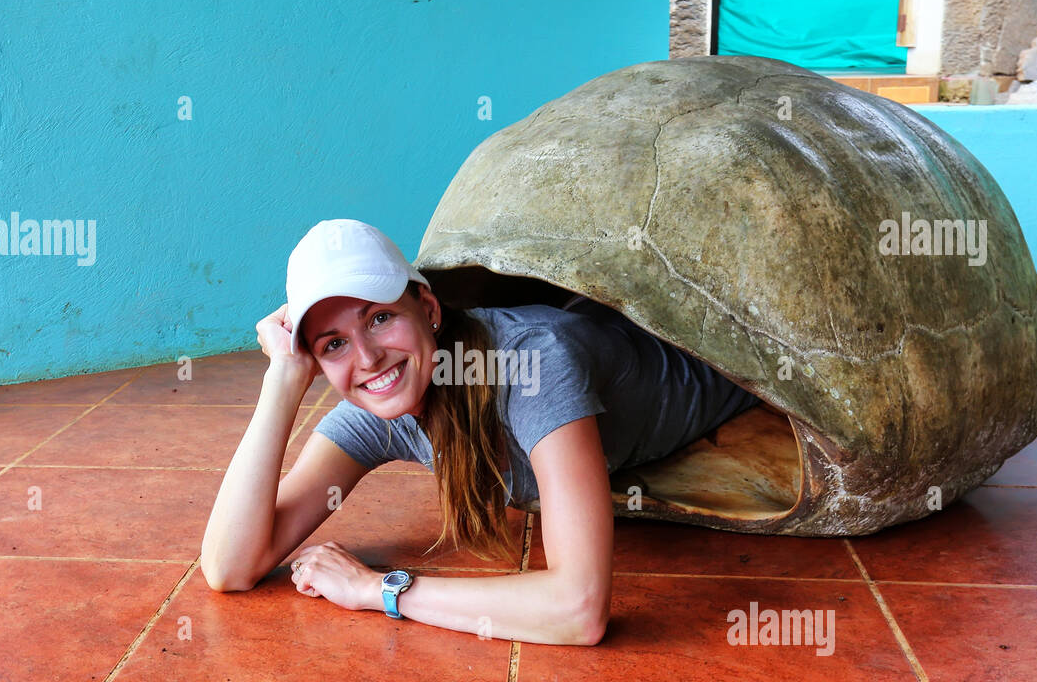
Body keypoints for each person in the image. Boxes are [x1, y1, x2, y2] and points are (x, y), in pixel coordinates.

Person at [200, 219, 763, 646]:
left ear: (427, 306)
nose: (368, 358)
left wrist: (379, 590)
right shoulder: (380, 408)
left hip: (725, 353)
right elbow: (229, 567)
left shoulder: (532, 365)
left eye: (379, 317)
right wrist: (282, 378)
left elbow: (578, 609)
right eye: (333, 344)